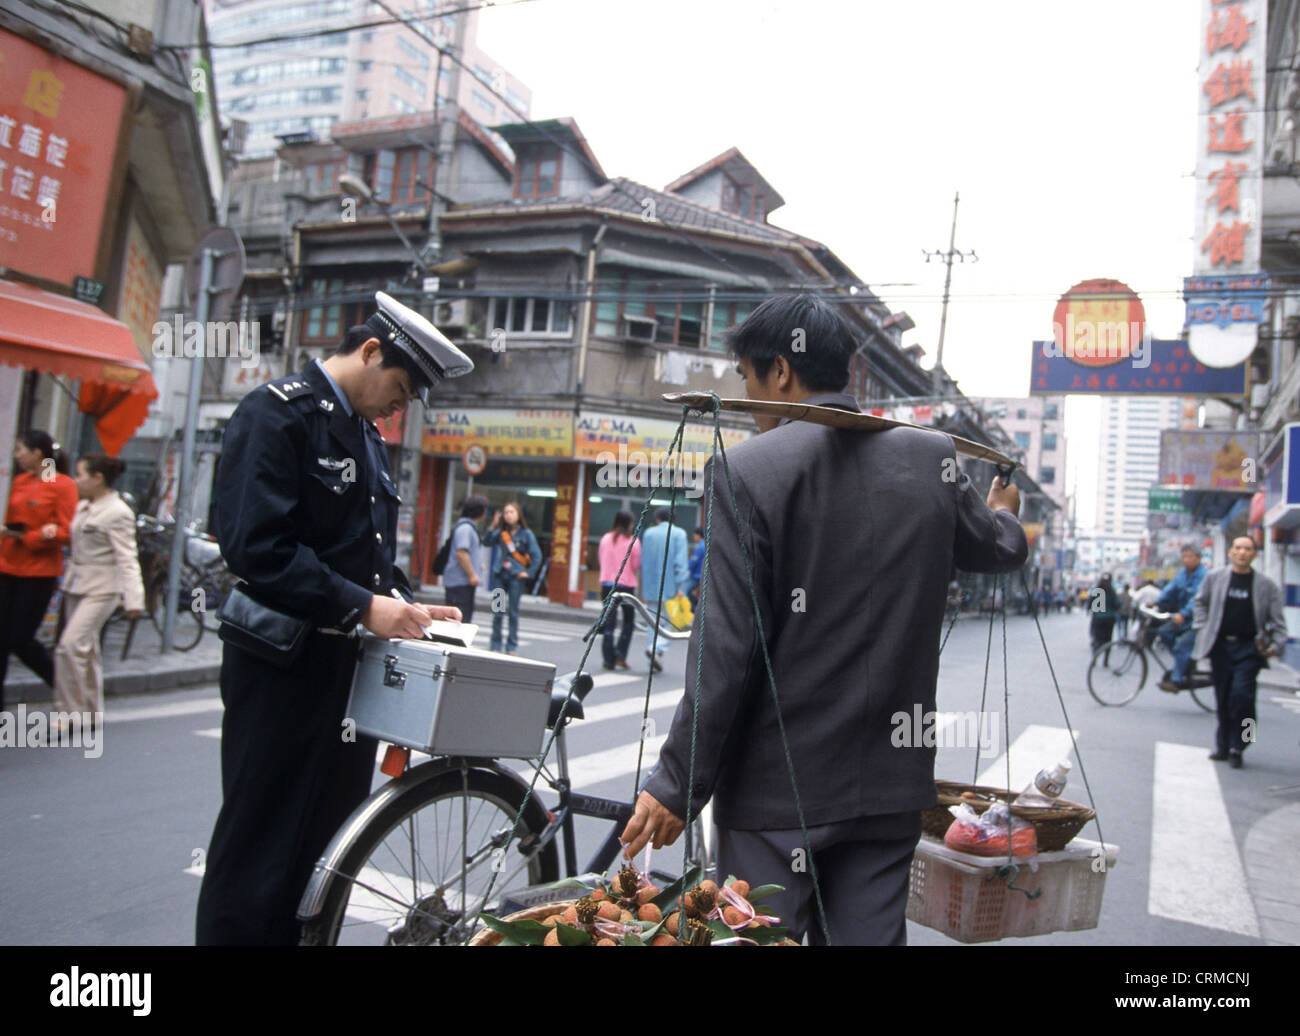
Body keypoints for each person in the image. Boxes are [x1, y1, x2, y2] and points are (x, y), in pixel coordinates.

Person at [618, 293, 1027, 945]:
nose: (748, 402)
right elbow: (1001, 547)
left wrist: (676, 784)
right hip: (888, 792)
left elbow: (727, 648)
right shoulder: (933, 461)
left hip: (777, 798)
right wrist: (1002, 507)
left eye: (749, 380)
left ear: (781, 371)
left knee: (760, 938)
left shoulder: (748, 471)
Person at [196, 293, 471, 945]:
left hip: (348, 677)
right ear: (370, 351)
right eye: (400, 390)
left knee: (327, 849)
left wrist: (400, 599)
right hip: (280, 666)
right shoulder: (277, 413)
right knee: (259, 842)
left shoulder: (368, 441)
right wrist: (361, 605)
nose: (398, 409)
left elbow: (363, 554)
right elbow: (255, 545)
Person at [54, 455, 145, 720]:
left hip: (103, 588)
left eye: (81, 475)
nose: (76, 480)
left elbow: (127, 557)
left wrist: (134, 599)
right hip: (77, 584)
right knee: (87, 648)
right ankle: (91, 711)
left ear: (98, 478)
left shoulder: (118, 512)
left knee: (68, 646)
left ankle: (69, 713)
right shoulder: (84, 507)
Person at [1192, 536, 1288, 769]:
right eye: (1238, 548)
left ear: (1254, 554)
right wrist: (1203, 626)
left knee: (1243, 697)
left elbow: (1277, 621)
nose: (1242, 553)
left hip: (1249, 649)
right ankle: (1223, 745)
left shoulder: (1266, 585)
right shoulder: (1215, 578)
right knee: (1223, 699)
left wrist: (1276, 645)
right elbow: (1199, 603)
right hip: (1220, 647)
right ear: (1231, 553)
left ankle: (1241, 745)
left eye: (1248, 549)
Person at [0, 430, 77, 707]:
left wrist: (30, 537)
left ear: (37, 454)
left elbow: (68, 531)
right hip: (8, 566)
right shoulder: (20, 482)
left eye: (21, 450)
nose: (17, 455)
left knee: (21, 639)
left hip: (38, 572)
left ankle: (65, 688)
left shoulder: (62, 485)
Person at [483, 500, 541, 654]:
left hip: (516, 577)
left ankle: (511, 646)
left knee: (513, 612)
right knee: (498, 611)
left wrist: (528, 573)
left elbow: (537, 556)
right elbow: (486, 542)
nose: (508, 515)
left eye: (511, 512)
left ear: (518, 515)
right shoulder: (501, 533)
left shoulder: (526, 534)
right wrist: (493, 525)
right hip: (500, 576)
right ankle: (495, 644)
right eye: (506, 513)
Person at [639, 507, 690, 673]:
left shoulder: (648, 533)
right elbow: (680, 562)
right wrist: (681, 585)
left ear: (658, 519)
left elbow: (643, 560)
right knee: (672, 622)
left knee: (652, 621)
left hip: (651, 585)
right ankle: (658, 648)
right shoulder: (679, 534)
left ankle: (651, 656)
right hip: (671, 586)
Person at [1156, 545, 1208, 692]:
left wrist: (1183, 614)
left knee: (1182, 647)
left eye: (1189, 556)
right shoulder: (1183, 574)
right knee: (1164, 632)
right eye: (1184, 556)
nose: (1186, 560)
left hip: (1198, 621)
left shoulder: (1204, 575)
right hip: (1183, 619)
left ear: (1198, 558)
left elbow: (1197, 599)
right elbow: (1170, 589)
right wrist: (1157, 601)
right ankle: (1184, 663)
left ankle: (1176, 680)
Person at [598, 510, 641, 670]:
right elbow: (636, 565)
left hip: (607, 584)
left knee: (609, 621)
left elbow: (600, 559)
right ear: (627, 524)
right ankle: (621, 654)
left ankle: (608, 660)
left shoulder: (605, 539)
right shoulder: (633, 541)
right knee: (628, 622)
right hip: (627, 586)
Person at [442, 496, 487, 623]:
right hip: (459, 582)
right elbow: (461, 554)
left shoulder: (468, 528)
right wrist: (472, 575)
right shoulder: (466, 528)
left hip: (463, 583)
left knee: (463, 618)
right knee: (458, 621)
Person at [1088, 573, 1119, 651]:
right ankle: (1106, 659)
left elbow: (1090, 602)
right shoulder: (1111, 590)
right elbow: (1117, 604)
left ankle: (1095, 656)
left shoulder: (1096, 590)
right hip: (1109, 618)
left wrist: (1089, 610)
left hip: (1098, 618)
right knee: (1108, 639)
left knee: (1097, 637)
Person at [686, 527, 705, 609]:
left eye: (694, 535)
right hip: (701, 574)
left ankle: (694, 607)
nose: (693, 537)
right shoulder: (705, 544)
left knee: (684, 591)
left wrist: (688, 569)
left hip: (697, 575)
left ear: (698, 535)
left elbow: (694, 561)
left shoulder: (701, 546)